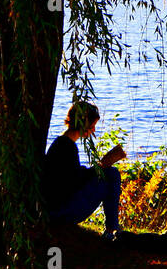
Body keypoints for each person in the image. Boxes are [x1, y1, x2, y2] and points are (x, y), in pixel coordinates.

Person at [42, 100, 127, 241]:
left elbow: (74, 176)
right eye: (92, 125)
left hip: (57, 208)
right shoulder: (65, 147)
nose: (93, 130)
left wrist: (101, 166)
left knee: (110, 173)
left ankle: (112, 228)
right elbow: (74, 181)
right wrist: (103, 165)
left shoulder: (62, 144)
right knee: (112, 174)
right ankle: (112, 230)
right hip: (62, 211)